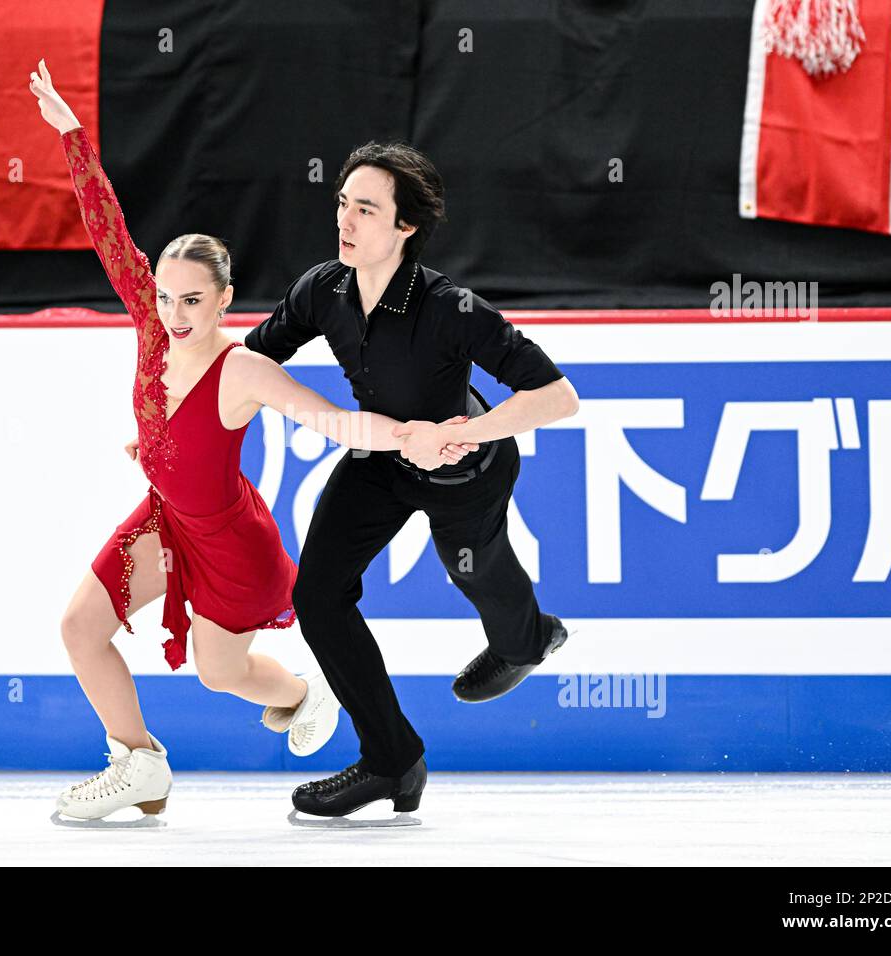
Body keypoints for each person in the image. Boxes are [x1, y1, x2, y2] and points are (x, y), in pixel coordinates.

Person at [29, 61, 474, 824]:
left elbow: (332, 420)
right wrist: (73, 136)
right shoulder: (149, 323)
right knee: (78, 627)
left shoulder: (243, 369)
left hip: (231, 543)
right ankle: (136, 761)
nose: (173, 313)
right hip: (166, 522)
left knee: (219, 673)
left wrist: (412, 434)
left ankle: (305, 693)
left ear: (225, 299)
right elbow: (106, 228)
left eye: (192, 300)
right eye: (165, 297)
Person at [244, 140, 581, 822]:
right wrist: (171, 420)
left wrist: (456, 433)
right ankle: (392, 761)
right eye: (342, 203)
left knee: (472, 573)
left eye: (365, 209)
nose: (345, 220)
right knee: (317, 594)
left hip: (466, 467)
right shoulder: (322, 291)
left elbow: (556, 396)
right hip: (382, 457)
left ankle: (525, 640)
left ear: (405, 227)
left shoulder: (449, 307)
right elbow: (247, 364)